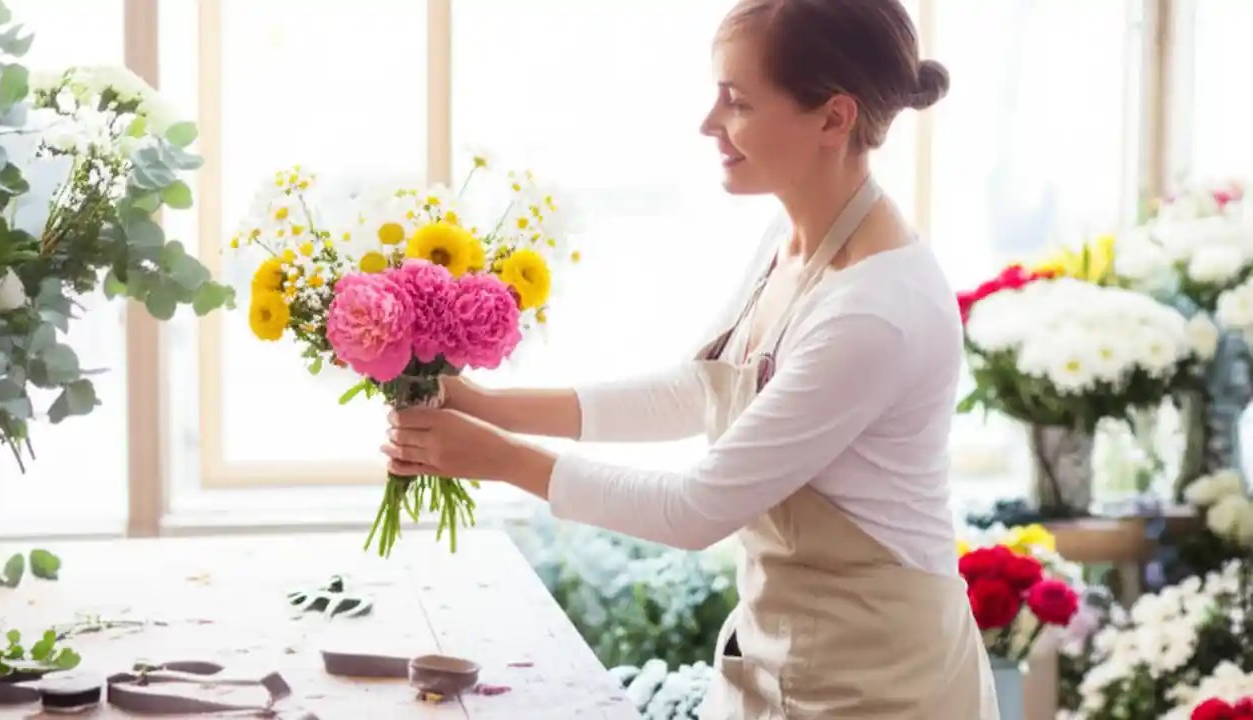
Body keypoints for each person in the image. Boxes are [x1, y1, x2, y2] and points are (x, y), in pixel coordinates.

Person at [381, 0, 999, 717]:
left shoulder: (875, 311)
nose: (710, 124)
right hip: (783, 657)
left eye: (736, 102)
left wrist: (498, 456)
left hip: (882, 683)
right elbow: (699, 390)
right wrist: (488, 405)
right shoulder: (791, 238)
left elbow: (696, 510)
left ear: (834, 118)